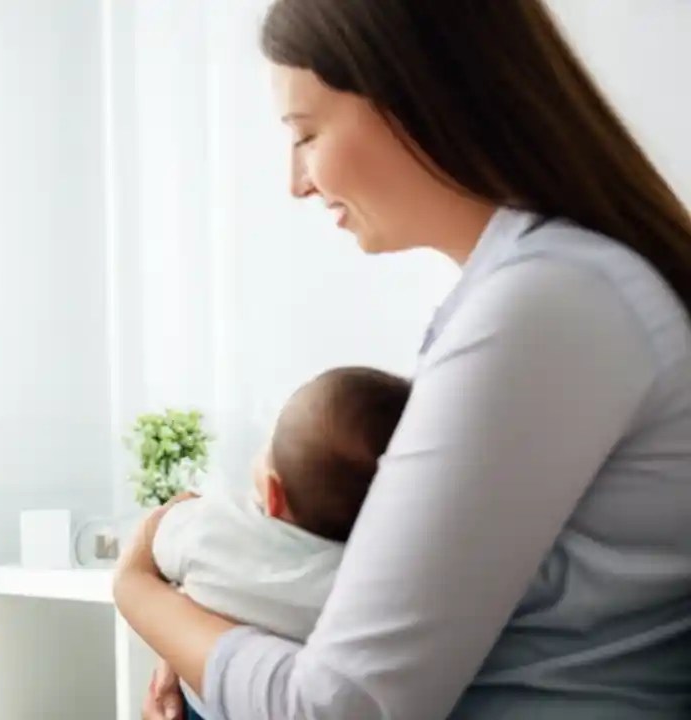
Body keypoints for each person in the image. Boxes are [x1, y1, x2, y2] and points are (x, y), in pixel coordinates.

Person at [113, 1, 691, 718]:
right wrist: (205, 638)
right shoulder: (554, 291)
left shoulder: (549, 303)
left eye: (306, 134)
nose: (297, 181)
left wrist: (141, 593)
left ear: (413, 96)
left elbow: (343, 707)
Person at [151, 367, 410, 720]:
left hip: (206, 704)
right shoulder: (373, 587)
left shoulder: (213, 528)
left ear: (273, 494)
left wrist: (180, 509)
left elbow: (158, 537)